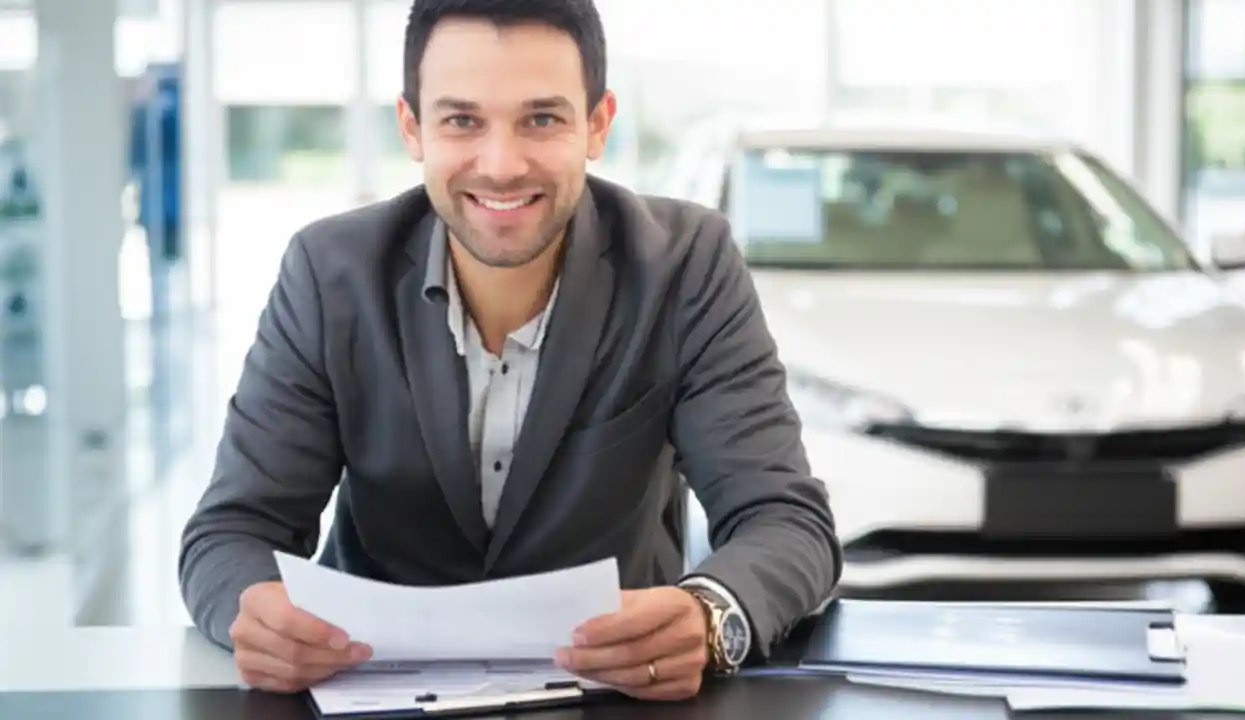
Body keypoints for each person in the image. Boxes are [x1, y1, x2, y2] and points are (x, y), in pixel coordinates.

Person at [179, 0, 840, 702]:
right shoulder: (329, 272)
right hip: (372, 698)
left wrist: (712, 614)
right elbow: (232, 531)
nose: (500, 165)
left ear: (597, 124)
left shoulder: (684, 266)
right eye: (462, 120)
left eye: (542, 119)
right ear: (412, 127)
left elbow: (786, 520)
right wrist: (254, 609)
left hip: (613, 699)